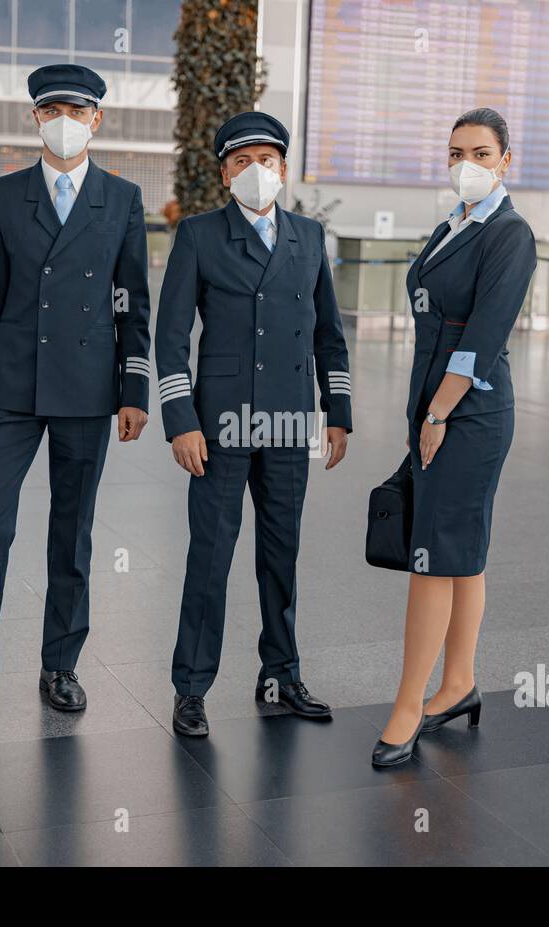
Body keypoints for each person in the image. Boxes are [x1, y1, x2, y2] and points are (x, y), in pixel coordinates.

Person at [0, 64, 151, 737]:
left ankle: (61, 664)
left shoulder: (122, 198)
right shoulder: (6, 195)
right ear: (35, 118)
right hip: (11, 389)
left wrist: (133, 388)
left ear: (97, 120)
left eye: (77, 110)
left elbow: (133, 303)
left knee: (73, 530)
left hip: (88, 390)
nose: (64, 120)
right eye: (51, 109)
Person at [154, 111, 352, 737]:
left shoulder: (309, 236)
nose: (256, 171)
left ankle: (281, 673)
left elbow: (328, 332)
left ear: (284, 170)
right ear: (224, 174)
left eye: (267, 160)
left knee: (281, 553)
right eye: (242, 162)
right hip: (220, 426)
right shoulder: (199, 235)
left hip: (290, 423)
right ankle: (191, 688)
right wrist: (180, 421)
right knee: (210, 555)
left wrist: (338, 412)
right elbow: (170, 336)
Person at [372, 107, 536, 767]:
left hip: (467, 414)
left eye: (480, 151)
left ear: (505, 160)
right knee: (461, 550)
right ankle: (460, 683)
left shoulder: (510, 234)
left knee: (431, 559)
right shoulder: (453, 225)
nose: (465, 162)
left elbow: (484, 333)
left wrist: (437, 414)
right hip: (437, 410)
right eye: (455, 151)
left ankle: (408, 706)